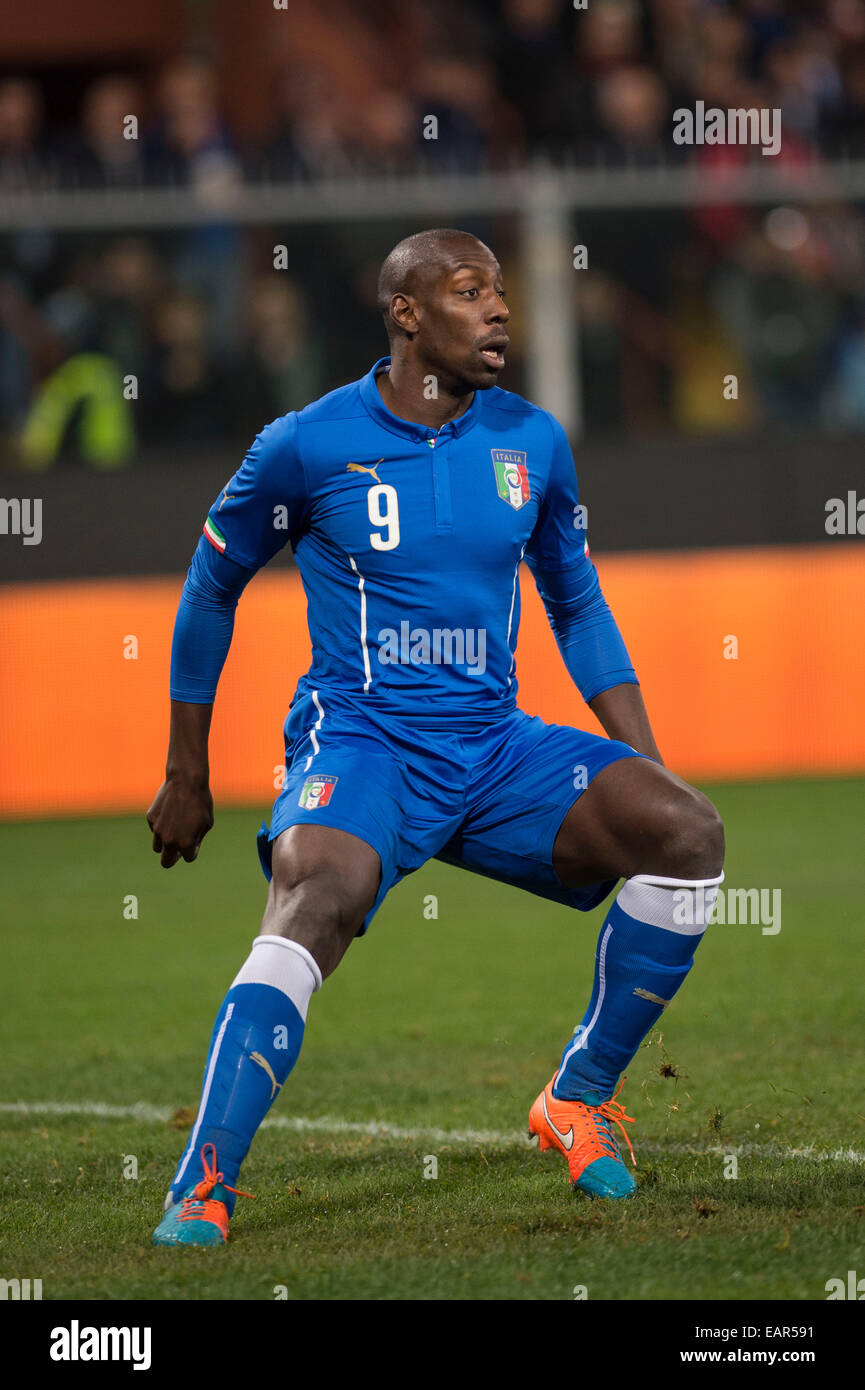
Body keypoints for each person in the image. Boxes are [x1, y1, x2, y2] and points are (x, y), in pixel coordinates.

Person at [147, 228, 724, 1246]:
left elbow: (576, 605)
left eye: (499, 290)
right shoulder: (308, 442)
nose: (498, 308)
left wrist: (647, 759)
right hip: (365, 742)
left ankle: (575, 1098)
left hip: (495, 750)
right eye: (469, 291)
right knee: (317, 893)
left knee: (687, 835)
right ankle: (203, 1182)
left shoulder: (531, 440)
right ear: (407, 314)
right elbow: (212, 583)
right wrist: (184, 768)